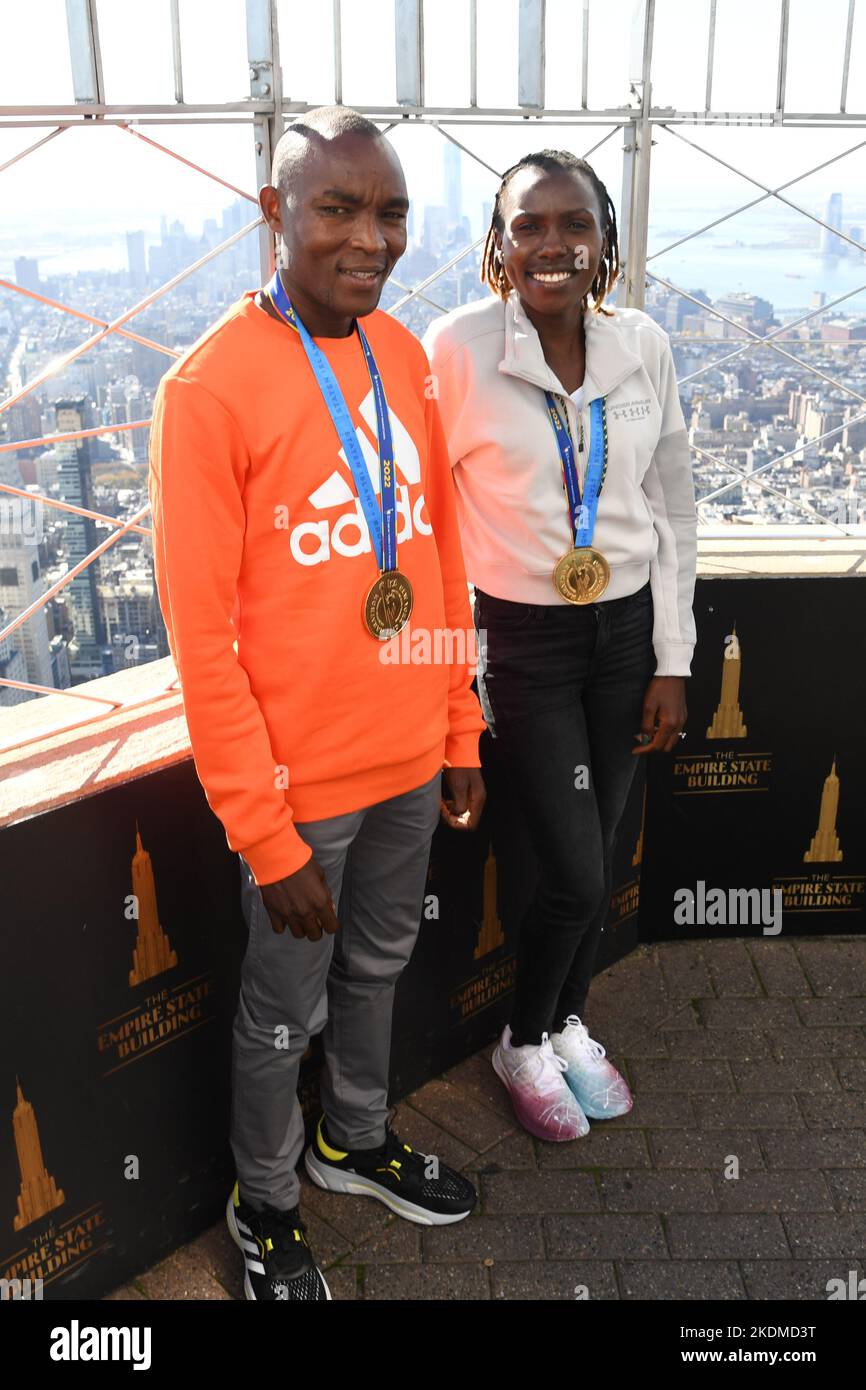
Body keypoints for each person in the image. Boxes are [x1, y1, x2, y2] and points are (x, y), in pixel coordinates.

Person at [148, 106, 486, 1301]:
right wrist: (260, 826)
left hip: (405, 762)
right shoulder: (208, 390)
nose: (369, 237)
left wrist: (457, 725)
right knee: (277, 1014)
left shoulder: (400, 355)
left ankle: (351, 1138)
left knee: (378, 968)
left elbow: (433, 553)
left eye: (388, 211)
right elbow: (201, 642)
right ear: (273, 214)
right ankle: (268, 1199)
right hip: (297, 794)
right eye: (336, 207)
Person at [423, 149, 697, 1144]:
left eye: (571, 224)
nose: (551, 244)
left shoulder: (643, 347)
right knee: (576, 874)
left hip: (623, 631)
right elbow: (423, 519)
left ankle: (569, 1022)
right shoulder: (455, 348)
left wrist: (673, 656)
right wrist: (449, 674)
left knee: (604, 847)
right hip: (521, 642)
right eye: (526, 225)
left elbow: (670, 505)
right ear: (497, 243)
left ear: (602, 240)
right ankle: (521, 1039)